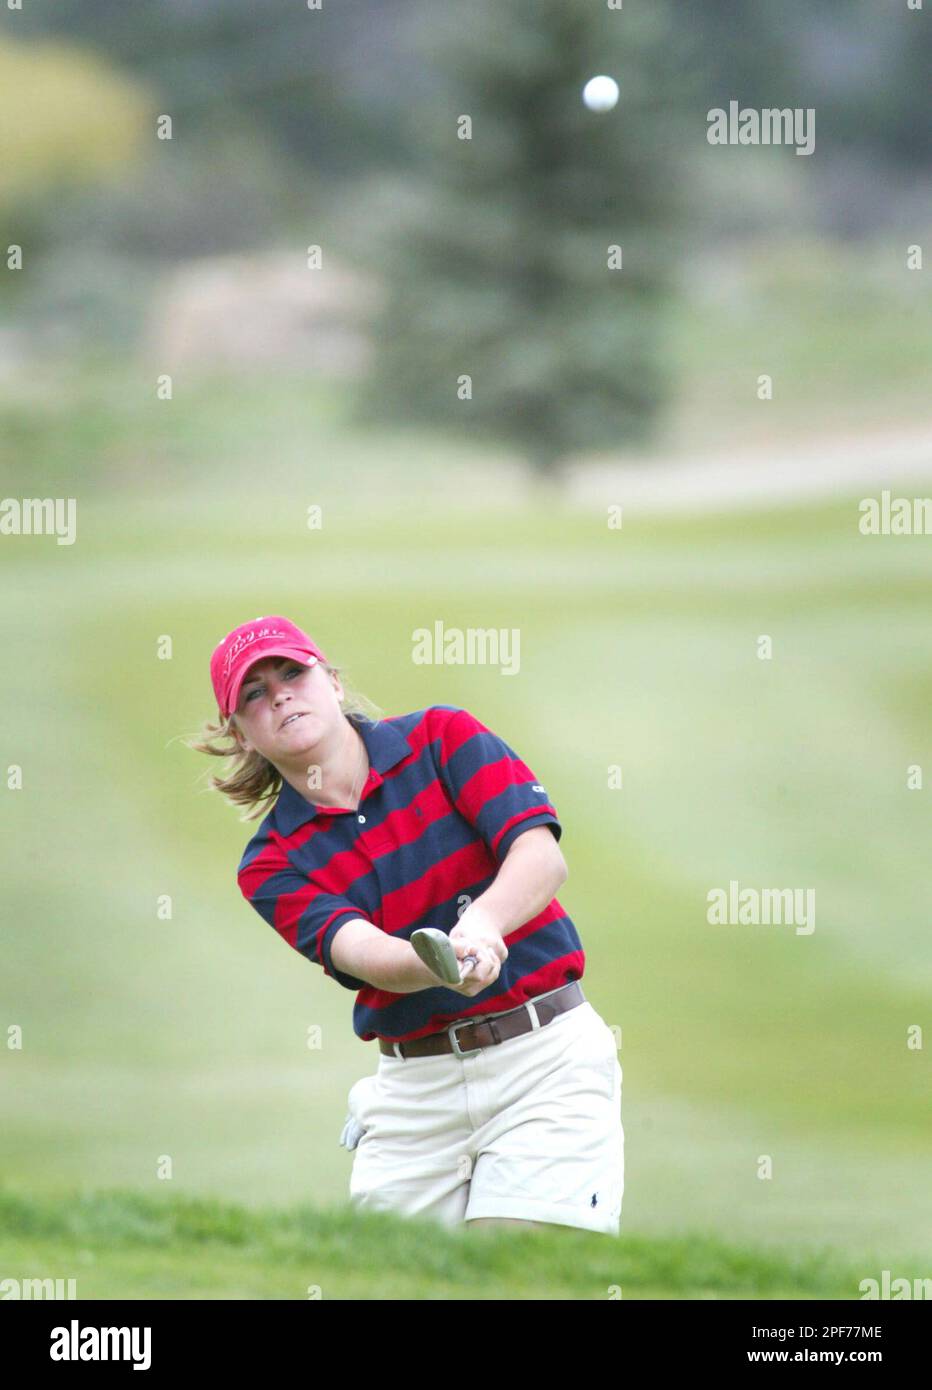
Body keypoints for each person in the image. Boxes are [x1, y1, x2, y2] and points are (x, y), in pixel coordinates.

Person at [192, 614, 624, 1234]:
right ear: (243, 735)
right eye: (254, 694)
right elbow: (362, 952)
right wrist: (440, 962)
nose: (280, 694)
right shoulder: (270, 863)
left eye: (293, 672)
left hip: (543, 1060)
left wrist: (482, 927)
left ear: (332, 683)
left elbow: (540, 856)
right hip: (414, 1094)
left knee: (522, 1277)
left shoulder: (441, 738)